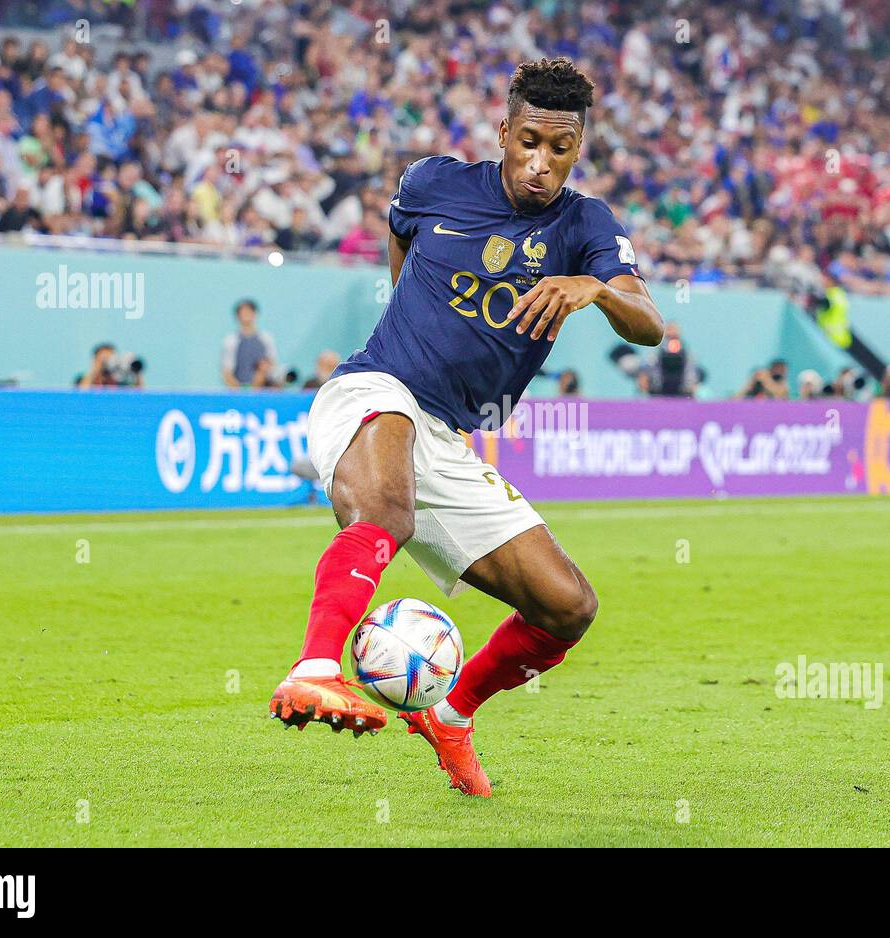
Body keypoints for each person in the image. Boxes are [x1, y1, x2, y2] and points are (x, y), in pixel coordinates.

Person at [269, 58, 662, 797]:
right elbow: (401, 238)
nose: (542, 164)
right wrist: (404, 322)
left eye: (562, 150)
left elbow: (650, 324)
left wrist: (595, 288)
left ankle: (451, 714)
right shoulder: (433, 182)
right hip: (373, 389)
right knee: (385, 506)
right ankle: (316, 669)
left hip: (445, 435)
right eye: (531, 143)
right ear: (505, 131)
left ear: (579, 149)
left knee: (567, 605)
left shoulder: (586, 226)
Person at [221, 298, 279, 388]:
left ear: (255, 314)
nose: (246, 315)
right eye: (243, 313)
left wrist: (262, 372)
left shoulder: (266, 338)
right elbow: (227, 371)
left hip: (264, 389)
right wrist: (240, 391)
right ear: (237, 316)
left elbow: (272, 363)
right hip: (239, 389)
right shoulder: (231, 341)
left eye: (249, 312)